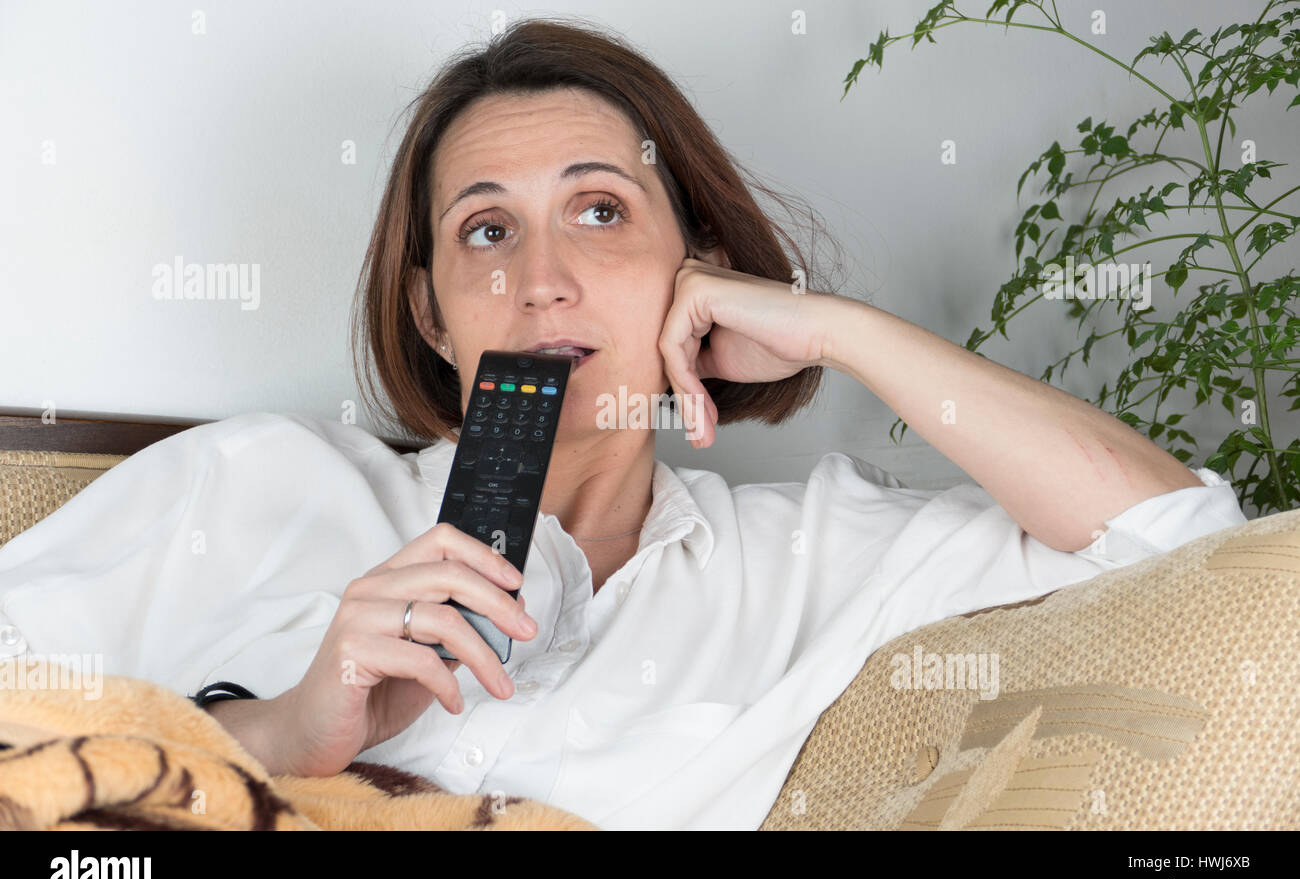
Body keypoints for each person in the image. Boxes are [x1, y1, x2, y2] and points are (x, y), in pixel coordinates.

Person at [0, 17, 1247, 830]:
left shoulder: (810, 563)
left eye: (599, 213)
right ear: (432, 313)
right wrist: (285, 722)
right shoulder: (251, 483)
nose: (542, 277)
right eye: (486, 230)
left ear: (693, 269)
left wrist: (837, 328)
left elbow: (1176, 537)